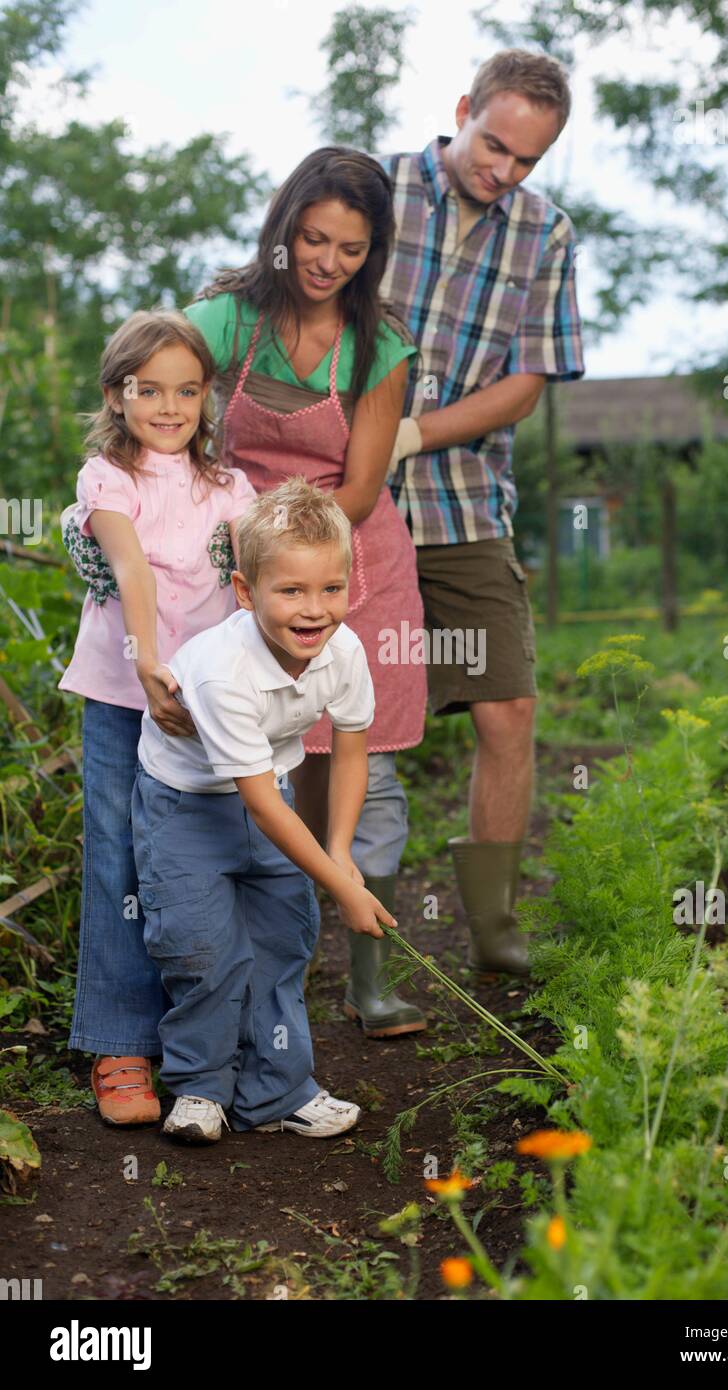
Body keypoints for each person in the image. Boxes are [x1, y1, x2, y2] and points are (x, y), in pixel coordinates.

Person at [183, 147, 428, 1037]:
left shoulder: (379, 342)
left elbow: (360, 487)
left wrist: (297, 554)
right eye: (313, 239)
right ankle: (247, 974)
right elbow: (164, 417)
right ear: (283, 230)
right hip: (239, 568)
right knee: (250, 765)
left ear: (375, 254)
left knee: (368, 768)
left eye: (352, 250)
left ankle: (370, 978)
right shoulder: (220, 320)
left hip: (353, 565)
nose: (327, 262)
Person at [378, 49, 585, 974]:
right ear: (461, 109)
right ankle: (319, 932)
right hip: (339, 507)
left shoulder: (544, 233)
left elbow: (525, 384)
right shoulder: (373, 191)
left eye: (526, 162)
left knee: (507, 709)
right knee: (318, 718)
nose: (503, 172)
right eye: (494, 145)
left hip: (461, 502)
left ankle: (494, 931)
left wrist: (411, 436)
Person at [132, 478, 395, 1143]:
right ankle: (201, 1086)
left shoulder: (344, 653)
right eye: (291, 591)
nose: (314, 611)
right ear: (247, 593)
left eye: (330, 589)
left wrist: (338, 851)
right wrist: (342, 887)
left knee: (281, 942)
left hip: (268, 794)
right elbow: (253, 800)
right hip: (186, 806)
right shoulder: (225, 672)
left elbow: (350, 750)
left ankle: (278, 1091)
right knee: (202, 952)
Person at [58, 309, 259, 1125]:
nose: (169, 407)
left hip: (203, 706)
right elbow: (131, 563)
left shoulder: (229, 489)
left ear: (207, 395)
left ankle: (210, 1045)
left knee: (205, 861)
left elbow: (255, 581)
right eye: (149, 390)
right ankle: (120, 1049)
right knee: (118, 864)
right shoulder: (108, 479)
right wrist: (147, 657)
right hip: (123, 694)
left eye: (187, 389)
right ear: (117, 393)